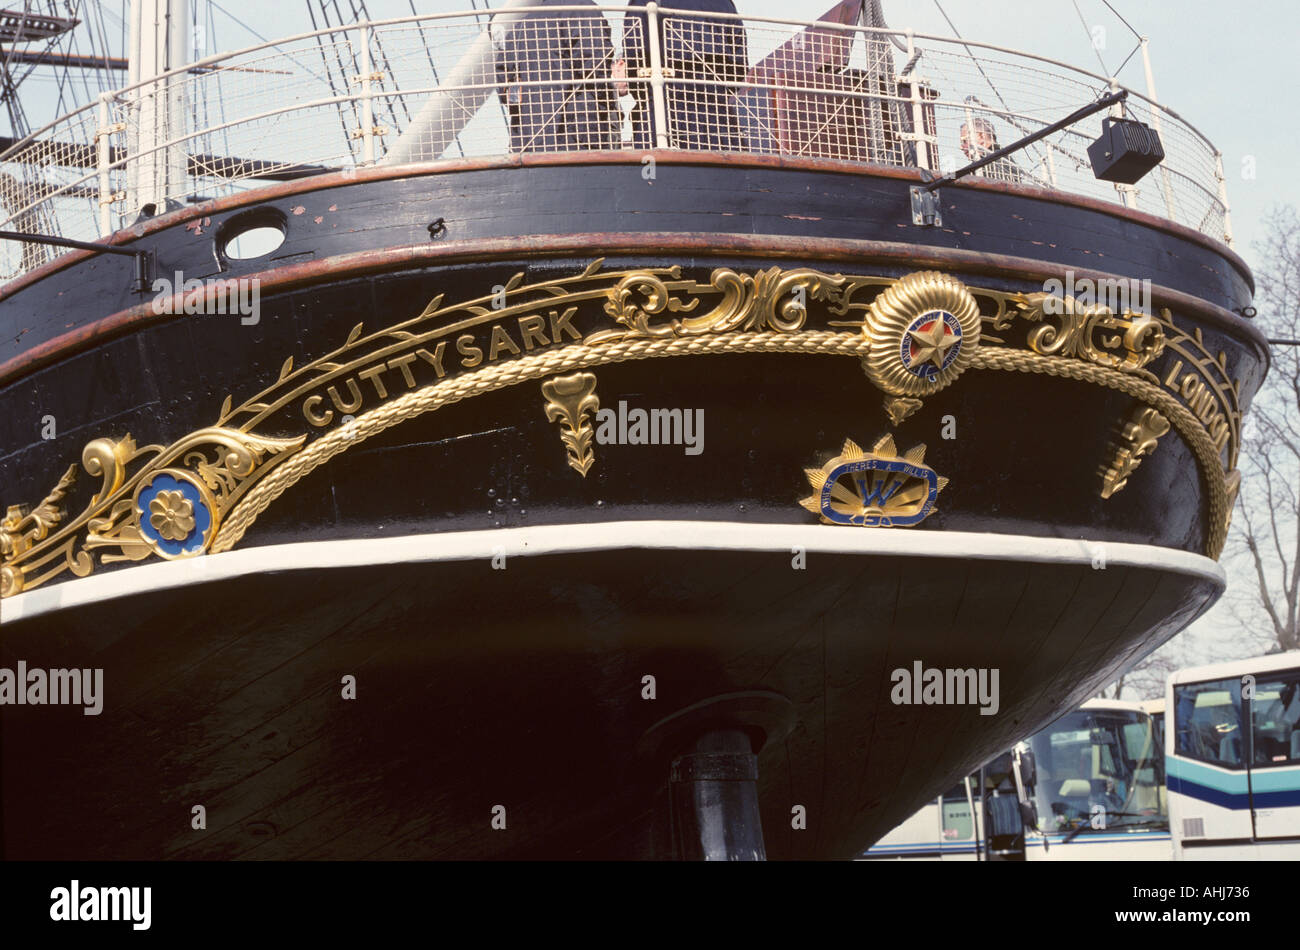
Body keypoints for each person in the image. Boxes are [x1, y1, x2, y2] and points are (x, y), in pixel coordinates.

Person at [494, 0, 620, 153]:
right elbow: (596, 63)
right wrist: (604, 104)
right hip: (575, 134)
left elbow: (506, 89)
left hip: (526, 141)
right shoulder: (581, 8)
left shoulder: (519, 28)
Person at [619, 0, 748, 150]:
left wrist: (644, 91)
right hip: (717, 110)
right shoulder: (723, 3)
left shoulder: (644, 2)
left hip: (664, 107)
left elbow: (634, 53)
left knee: (658, 168)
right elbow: (739, 63)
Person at [959, 117, 1026, 184]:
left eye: (964, 141)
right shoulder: (1002, 158)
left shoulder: (994, 161)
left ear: (981, 136)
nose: (961, 147)